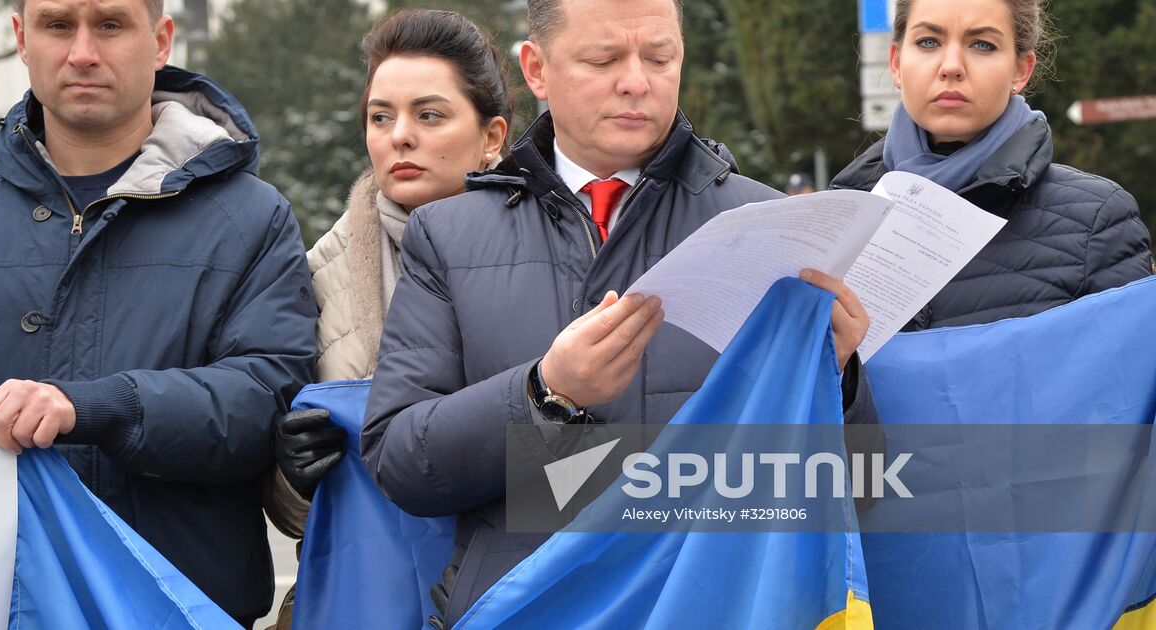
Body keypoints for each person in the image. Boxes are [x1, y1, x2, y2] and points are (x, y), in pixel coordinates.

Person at [360, 0, 880, 626]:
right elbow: (403, 464)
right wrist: (544, 394)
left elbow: (857, 488)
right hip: (522, 606)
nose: (637, 81)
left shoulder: (770, 229)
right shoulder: (448, 236)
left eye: (660, 57)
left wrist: (837, 376)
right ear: (537, 69)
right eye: (603, 59)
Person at [0, 0, 317, 626]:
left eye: (111, 25)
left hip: (182, 606)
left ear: (161, 41)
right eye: (58, 25)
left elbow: (268, 398)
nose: (83, 53)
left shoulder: (252, 218)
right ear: (20, 37)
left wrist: (100, 406)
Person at [263, 9, 512, 629]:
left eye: (429, 115)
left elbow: (597, 460)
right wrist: (293, 477)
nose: (399, 136)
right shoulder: (317, 273)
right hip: (367, 601)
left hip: (514, 592)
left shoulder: (561, 254)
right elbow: (290, 514)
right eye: (381, 117)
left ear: (493, 136)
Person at [832, 0, 1152, 329]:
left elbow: (1124, 373)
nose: (951, 66)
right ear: (896, 63)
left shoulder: (1097, 221)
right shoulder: (840, 214)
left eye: (982, 45)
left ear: (1021, 70)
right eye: (929, 41)